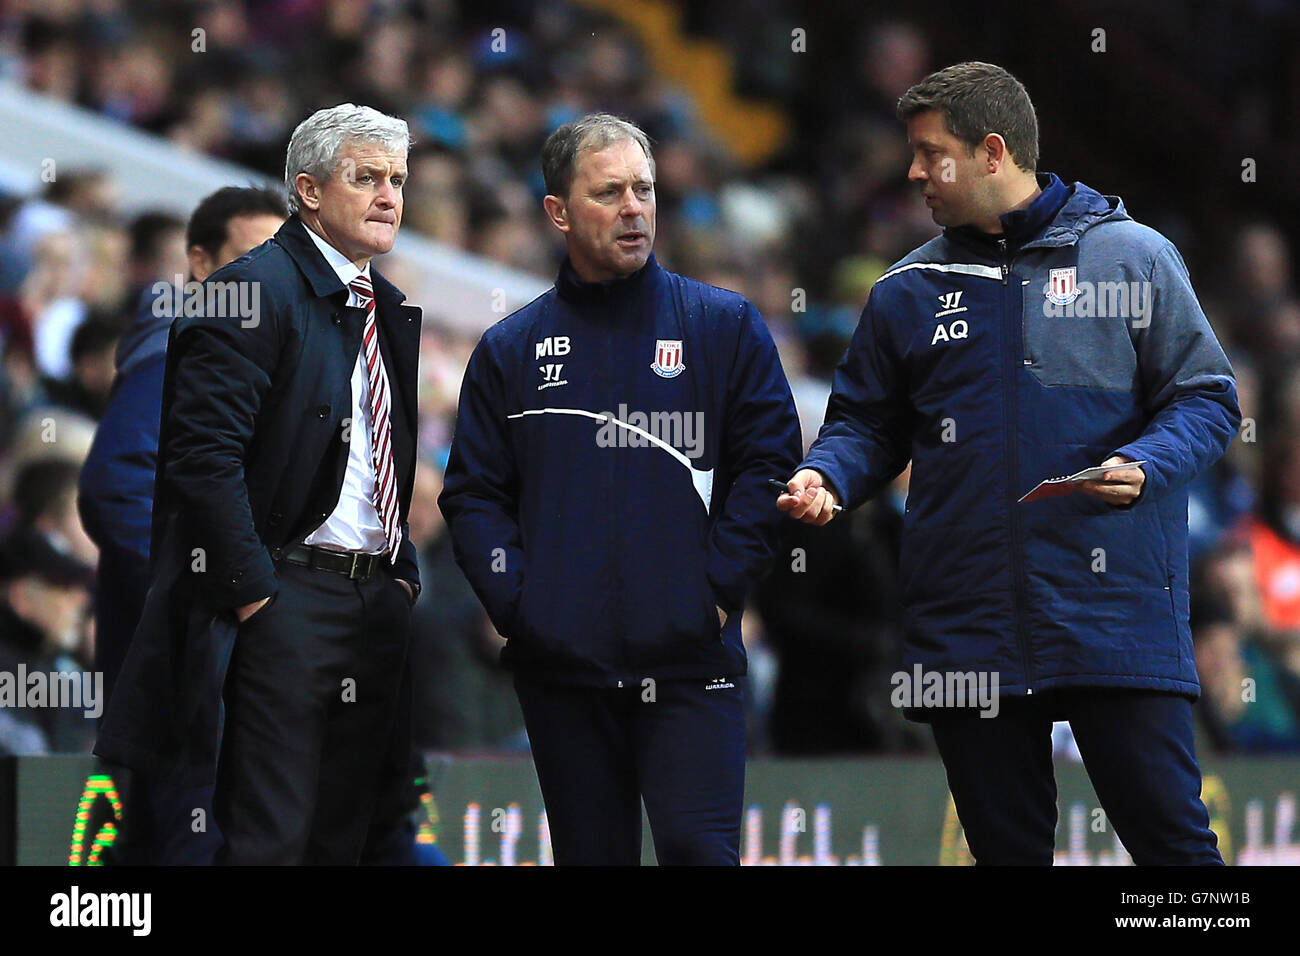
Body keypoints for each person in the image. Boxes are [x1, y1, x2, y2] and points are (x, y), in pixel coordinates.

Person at [780, 62, 1240, 865]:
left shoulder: (1133, 259)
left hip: (1111, 611)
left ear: (993, 152)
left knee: (1174, 848)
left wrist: (1147, 461)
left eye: (930, 152)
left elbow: (1207, 399)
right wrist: (831, 475)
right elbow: (864, 423)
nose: (915, 171)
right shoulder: (907, 289)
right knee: (1005, 855)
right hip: (971, 626)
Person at [439, 113, 802, 865]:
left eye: (644, 189)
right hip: (562, 669)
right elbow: (473, 495)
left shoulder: (723, 327)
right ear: (559, 212)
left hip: (691, 661)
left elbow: (767, 467)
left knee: (699, 853)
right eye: (609, 193)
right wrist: (522, 606)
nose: (634, 207)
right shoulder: (511, 349)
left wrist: (718, 588)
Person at [96, 103, 423, 865]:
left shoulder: (386, 305)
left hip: (371, 598)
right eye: (366, 177)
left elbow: (384, 459)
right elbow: (202, 460)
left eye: (398, 180)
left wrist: (400, 574)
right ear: (307, 191)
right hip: (285, 601)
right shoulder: (248, 294)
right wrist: (257, 595)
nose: (389, 196)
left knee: (340, 840)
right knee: (269, 841)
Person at [78, 185, 285, 864]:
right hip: (191, 676)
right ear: (199, 262)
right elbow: (117, 484)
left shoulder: (245, 352)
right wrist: (208, 605)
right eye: (252, 257)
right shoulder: (179, 344)